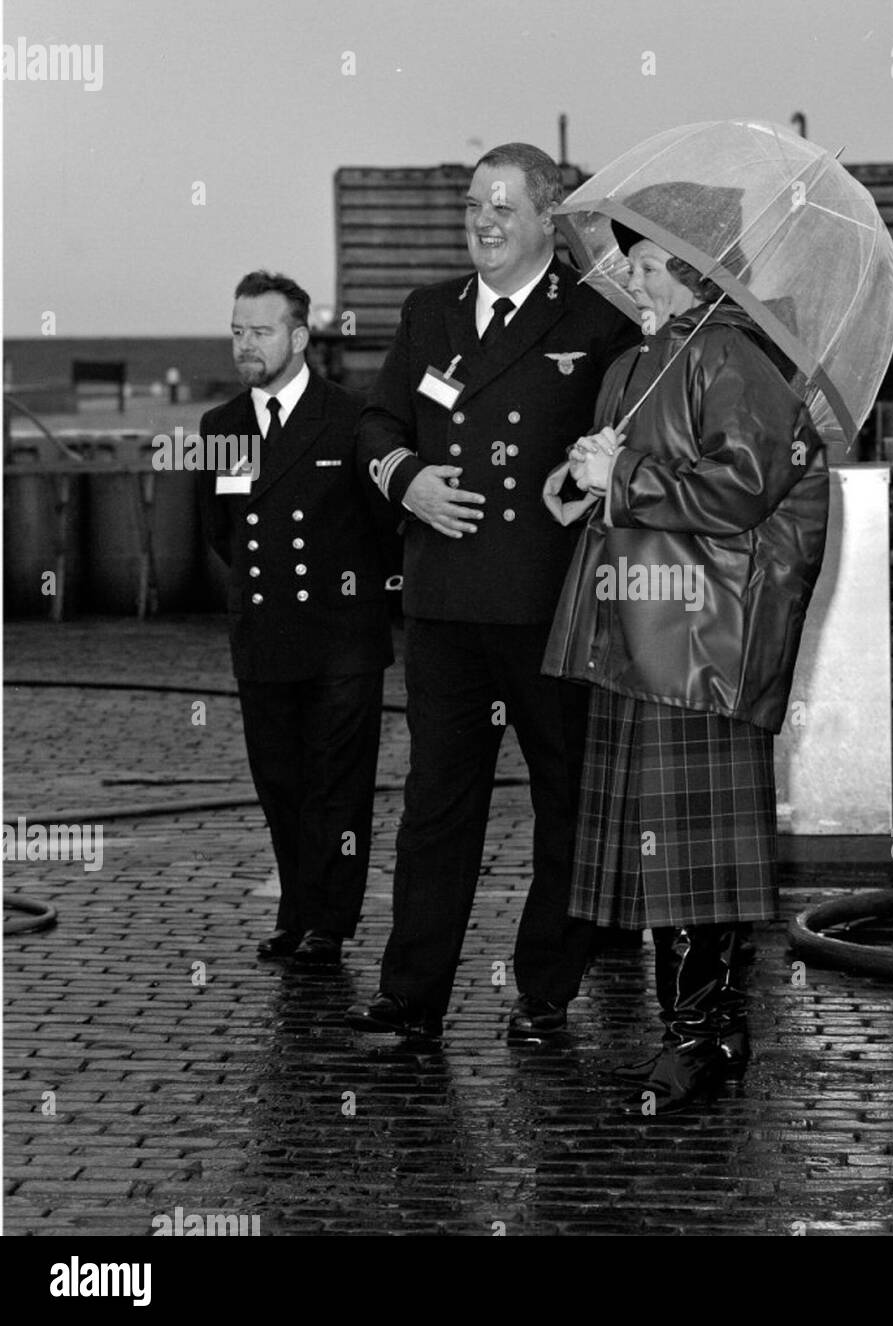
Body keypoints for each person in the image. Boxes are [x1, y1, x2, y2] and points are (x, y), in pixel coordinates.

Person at [348, 143, 638, 1041]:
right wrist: (408, 483)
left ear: (551, 219)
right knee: (437, 804)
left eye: (504, 207)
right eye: (475, 204)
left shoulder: (598, 319)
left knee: (568, 800)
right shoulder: (429, 311)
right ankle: (412, 995)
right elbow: (377, 422)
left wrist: (605, 471)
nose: (483, 221)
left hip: (549, 606)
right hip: (442, 604)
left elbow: (632, 436)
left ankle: (546, 988)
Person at [543, 222, 830, 1109]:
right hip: (641, 630)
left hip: (701, 640)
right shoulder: (639, 362)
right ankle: (720, 1024)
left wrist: (622, 471)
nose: (633, 276)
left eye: (651, 264)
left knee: (690, 857)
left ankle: (696, 1035)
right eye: (630, 262)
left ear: (700, 275)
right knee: (659, 848)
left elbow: (740, 491)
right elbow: (614, 481)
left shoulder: (733, 359)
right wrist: (582, 474)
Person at [199, 271, 398, 969]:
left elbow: (384, 527)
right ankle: (296, 908)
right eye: (236, 331)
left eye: (259, 331)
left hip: (342, 634)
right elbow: (221, 530)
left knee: (338, 784)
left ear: (298, 336)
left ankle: (330, 923)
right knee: (279, 781)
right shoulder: (219, 426)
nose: (244, 345)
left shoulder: (351, 417)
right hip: (263, 632)